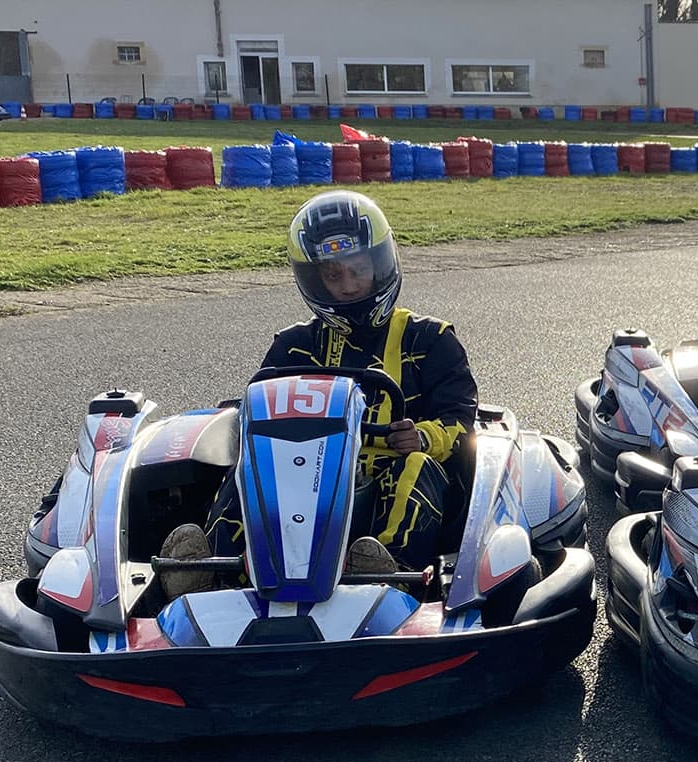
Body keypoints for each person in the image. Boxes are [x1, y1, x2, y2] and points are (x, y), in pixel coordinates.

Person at [161, 190, 477, 596]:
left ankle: (389, 576)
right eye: (332, 275)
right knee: (250, 469)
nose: (348, 287)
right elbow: (260, 412)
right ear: (313, 279)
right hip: (307, 478)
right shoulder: (293, 346)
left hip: (389, 475)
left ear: (381, 264)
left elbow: (461, 420)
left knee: (415, 465)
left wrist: (421, 436)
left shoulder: (431, 340)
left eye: (357, 270)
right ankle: (218, 577)